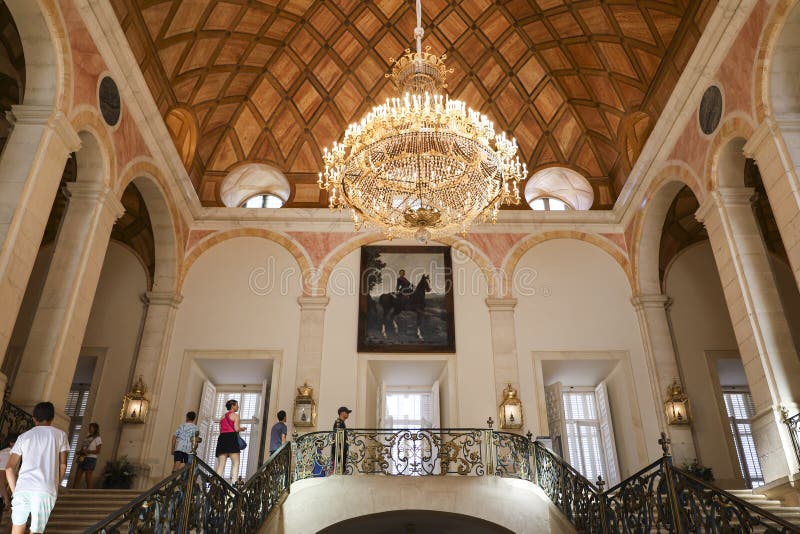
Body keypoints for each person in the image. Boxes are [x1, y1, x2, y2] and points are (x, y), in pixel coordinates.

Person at [5, 402, 69, 534]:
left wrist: (15, 491)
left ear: (34, 418)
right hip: (45, 488)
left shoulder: (23, 437)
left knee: (16, 530)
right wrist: (56, 485)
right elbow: (63, 465)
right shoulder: (60, 435)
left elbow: (9, 468)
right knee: (36, 531)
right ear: (52, 418)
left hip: (23, 487)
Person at [215, 399, 246, 482]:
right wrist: (242, 429)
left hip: (222, 439)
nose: (238, 407)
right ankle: (234, 485)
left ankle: (215, 486)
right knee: (236, 463)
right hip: (231, 438)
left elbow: (220, 430)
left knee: (221, 465)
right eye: (237, 405)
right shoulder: (235, 416)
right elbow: (236, 429)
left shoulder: (222, 417)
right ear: (232, 406)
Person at [72, 422, 101, 489]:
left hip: (91, 459)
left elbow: (98, 451)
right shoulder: (87, 437)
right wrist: (80, 452)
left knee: (87, 478)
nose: (89, 429)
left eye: (91, 428)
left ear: (95, 429)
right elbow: (84, 448)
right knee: (78, 476)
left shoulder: (98, 438)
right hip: (83, 457)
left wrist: (88, 451)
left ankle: (89, 493)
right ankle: (73, 492)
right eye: (89, 427)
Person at [0, 434, 18, 512]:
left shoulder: (13, 454)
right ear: (11, 443)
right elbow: (1, 479)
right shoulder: (5, 453)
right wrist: (7, 501)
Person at [331, 406, 351, 474]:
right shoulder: (338, 422)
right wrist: (338, 448)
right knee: (339, 466)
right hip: (339, 447)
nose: (348, 414)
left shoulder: (341, 422)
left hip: (342, 447)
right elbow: (337, 435)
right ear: (342, 413)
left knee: (342, 466)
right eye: (347, 412)